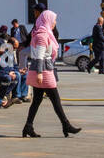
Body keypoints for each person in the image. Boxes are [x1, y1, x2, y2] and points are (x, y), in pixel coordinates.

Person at [21, 8, 81, 138]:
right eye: (53, 20)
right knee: (55, 100)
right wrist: (40, 73)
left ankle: (28, 126)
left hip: (43, 69)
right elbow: (39, 55)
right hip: (44, 71)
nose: (55, 22)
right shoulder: (42, 35)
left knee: (37, 101)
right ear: (47, 20)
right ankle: (66, 125)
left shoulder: (41, 32)